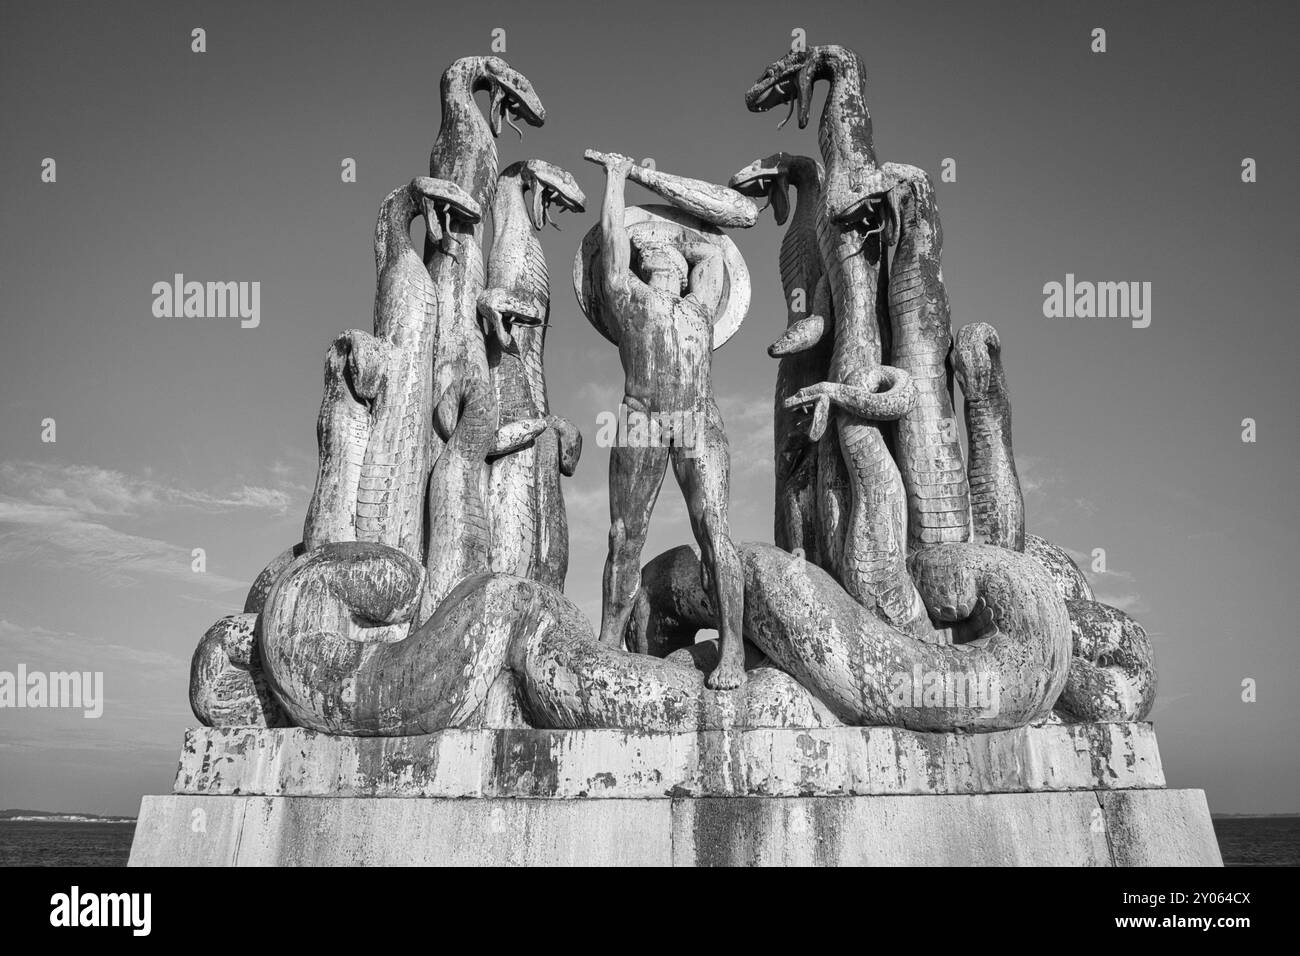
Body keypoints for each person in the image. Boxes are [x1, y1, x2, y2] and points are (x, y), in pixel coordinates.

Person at [588, 150, 745, 690]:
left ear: (682, 272)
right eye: (648, 249)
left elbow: (720, 239)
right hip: (640, 417)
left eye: (668, 253)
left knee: (714, 530)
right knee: (623, 534)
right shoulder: (627, 298)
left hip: (698, 419)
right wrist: (614, 179)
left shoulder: (699, 307)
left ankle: (733, 651)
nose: (657, 253)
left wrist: (673, 216)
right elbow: (611, 244)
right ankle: (609, 642)